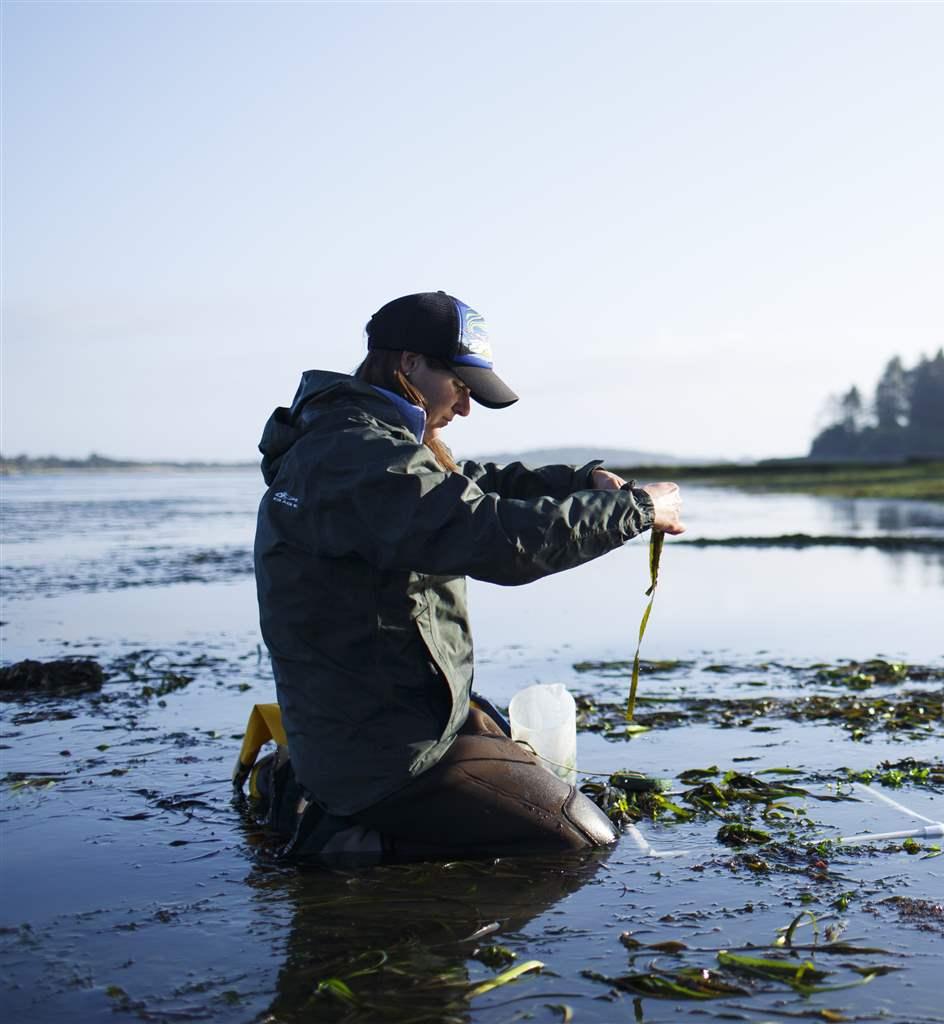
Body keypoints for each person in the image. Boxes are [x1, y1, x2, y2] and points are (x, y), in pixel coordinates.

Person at [253, 290, 684, 863]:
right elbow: (497, 539)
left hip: (396, 719)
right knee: (578, 839)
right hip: (383, 755)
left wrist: (581, 481)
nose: (465, 408)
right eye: (459, 385)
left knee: (515, 753)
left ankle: (320, 787)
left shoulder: (364, 441)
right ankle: (339, 835)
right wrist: (634, 511)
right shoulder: (355, 456)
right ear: (408, 364)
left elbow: (471, 483)